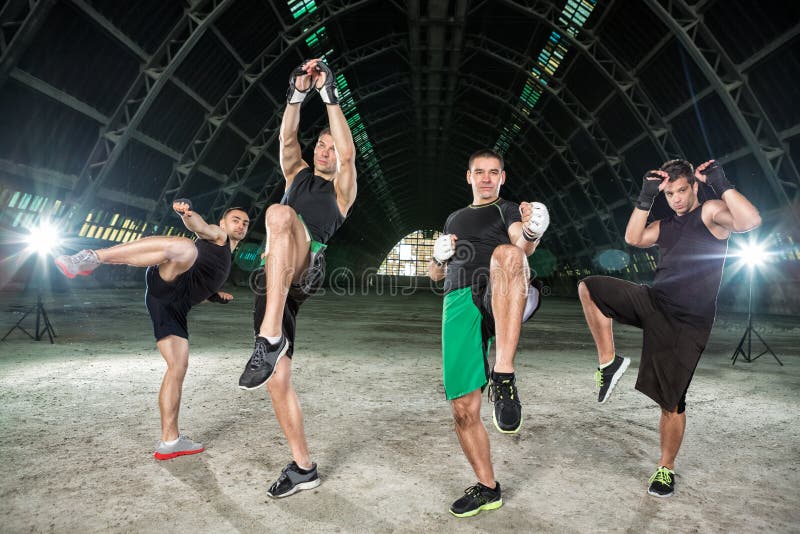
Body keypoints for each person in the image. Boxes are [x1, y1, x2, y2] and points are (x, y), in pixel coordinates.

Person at [578, 159, 761, 497]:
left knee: (672, 402)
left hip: (689, 323)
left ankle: (666, 469)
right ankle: (609, 363)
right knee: (590, 287)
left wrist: (721, 183)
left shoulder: (710, 210)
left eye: (681, 191)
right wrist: (647, 196)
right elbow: (633, 237)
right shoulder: (665, 224)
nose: (676, 199)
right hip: (655, 302)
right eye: (671, 193)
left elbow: (750, 221)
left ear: (694, 186)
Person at [238, 58, 357, 498]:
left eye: (332, 147)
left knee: (278, 213)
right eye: (321, 145)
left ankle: (269, 337)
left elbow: (349, 153)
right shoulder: (297, 173)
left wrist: (328, 95)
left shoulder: (342, 192)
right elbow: (288, 136)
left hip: (308, 268)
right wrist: (296, 94)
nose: (327, 151)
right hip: (273, 285)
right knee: (278, 381)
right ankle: (303, 467)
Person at [54, 200, 249, 459]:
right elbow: (201, 227)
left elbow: (198, 284)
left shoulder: (225, 259)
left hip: (171, 307)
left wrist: (213, 295)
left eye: (246, 223)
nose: (242, 225)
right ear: (224, 224)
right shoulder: (219, 236)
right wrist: (187, 215)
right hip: (167, 283)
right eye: (236, 219)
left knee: (177, 367)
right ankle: (92, 258)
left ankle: (170, 442)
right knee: (185, 247)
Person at [428, 148, 549, 517]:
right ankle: (487, 487)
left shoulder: (508, 209)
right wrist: (436, 257)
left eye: (492, 172)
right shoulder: (453, 218)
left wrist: (531, 230)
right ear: (468, 176)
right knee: (463, 409)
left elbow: (521, 245)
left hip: (504, 291)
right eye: (479, 172)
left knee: (508, 255)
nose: (485, 177)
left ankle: (504, 373)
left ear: (502, 177)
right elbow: (434, 277)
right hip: (459, 298)